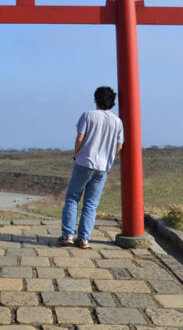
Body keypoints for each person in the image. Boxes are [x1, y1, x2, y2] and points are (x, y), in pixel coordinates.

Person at [59, 86, 124, 249]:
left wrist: (76, 154)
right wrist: (109, 158)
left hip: (84, 162)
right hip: (103, 166)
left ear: (96, 99)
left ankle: (68, 236)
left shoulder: (88, 115)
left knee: (73, 198)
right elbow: (119, 146)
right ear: (112, 102)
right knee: (91, 204)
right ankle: (84, 238)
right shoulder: (117, 121)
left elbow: (80, 137)